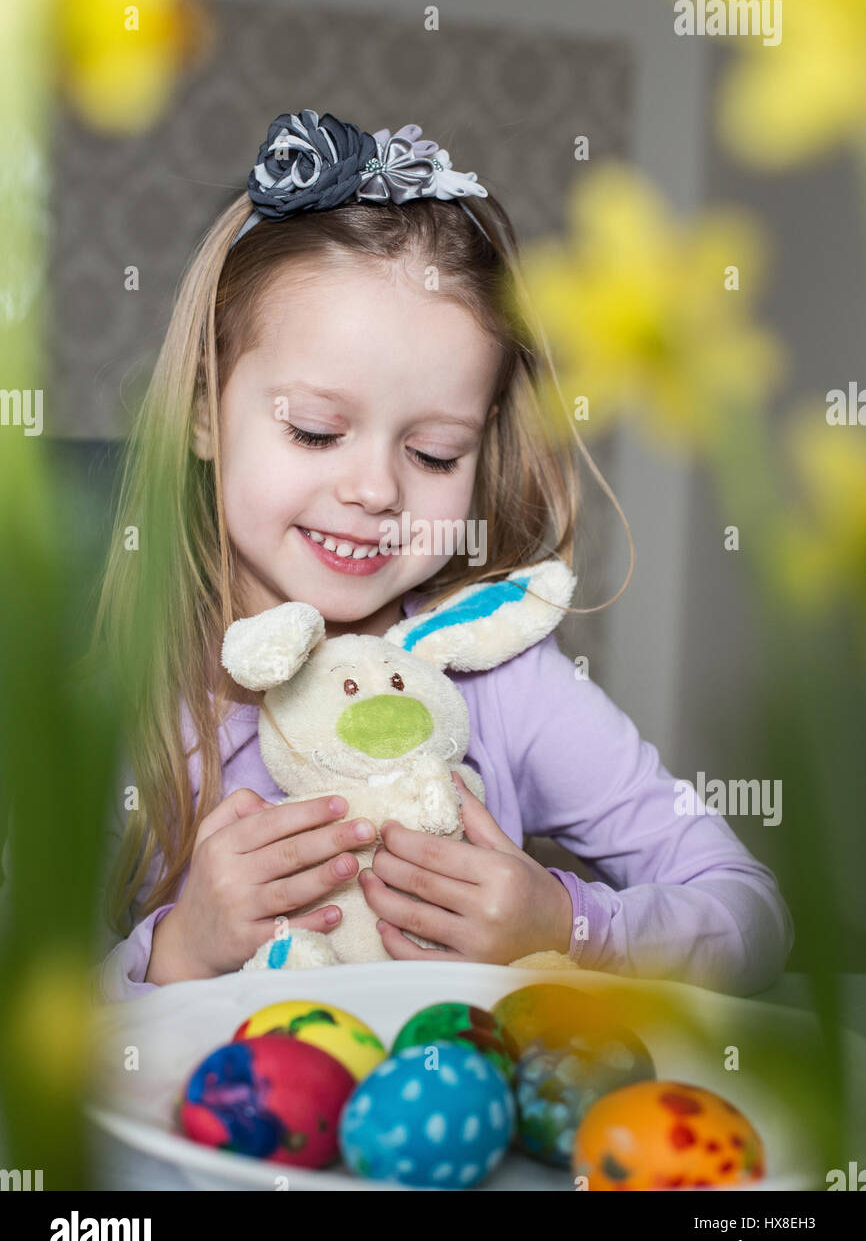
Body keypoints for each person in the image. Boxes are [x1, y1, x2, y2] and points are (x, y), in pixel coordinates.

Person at [92, 110, 793, 1003]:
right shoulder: (131, 701)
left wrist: (572, 927)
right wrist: (177, 951)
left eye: (433, 455)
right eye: (315, 431)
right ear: (202, 411)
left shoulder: (506, 683)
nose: (376, 489)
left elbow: (753, 913)